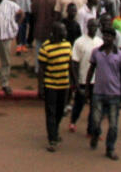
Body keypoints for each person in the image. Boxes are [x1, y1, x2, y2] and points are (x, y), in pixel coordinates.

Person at [87, 27, 121, 160]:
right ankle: (95, 135)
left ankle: (110, 148)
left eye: (109, 36)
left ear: (114, 38)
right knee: (95, 121)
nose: (106, 38)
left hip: (114, 94)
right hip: (98, 92)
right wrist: (87, 88)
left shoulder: (120, 56)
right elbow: (91, 69)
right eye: (104, 36)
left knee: (113, 125)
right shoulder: (96, 52)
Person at [38, 22, 71, 152]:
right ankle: (52, 139)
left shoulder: (67, 45)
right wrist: (41, 87)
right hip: (50, 84)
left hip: (64, 84)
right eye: (63, 30)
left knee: (60, 111)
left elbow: (70, 65)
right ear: (56, 32)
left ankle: (55, 131)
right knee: (51, 112)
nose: (65, 32)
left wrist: (73, 82)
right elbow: (41, 69)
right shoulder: (46, 47)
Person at [69, 18, 101, 134]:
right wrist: (76, 81)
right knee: (79, 103)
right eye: (91, 26)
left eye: (95, 26)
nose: (93, 28)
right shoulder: (79, 42)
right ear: (87, 27)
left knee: (94, 106)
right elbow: (74, 63)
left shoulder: (100, 42)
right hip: (83, 79)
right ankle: (73, 121)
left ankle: (90, 130)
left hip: (96, 80)